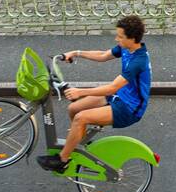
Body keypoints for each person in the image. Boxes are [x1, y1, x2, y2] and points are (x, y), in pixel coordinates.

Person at [37, 15, 152, 173]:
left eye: (120, 36)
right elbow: (103, 55)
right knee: (74, 109)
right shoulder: (127, 48)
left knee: (80, 118)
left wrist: (80, 91)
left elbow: (112, 87)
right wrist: (75, 53)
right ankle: (81, 146)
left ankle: (62, 161)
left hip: (129, 108)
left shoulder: (138, 61)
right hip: (119, 96)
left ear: (132, 38)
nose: (116, 39)